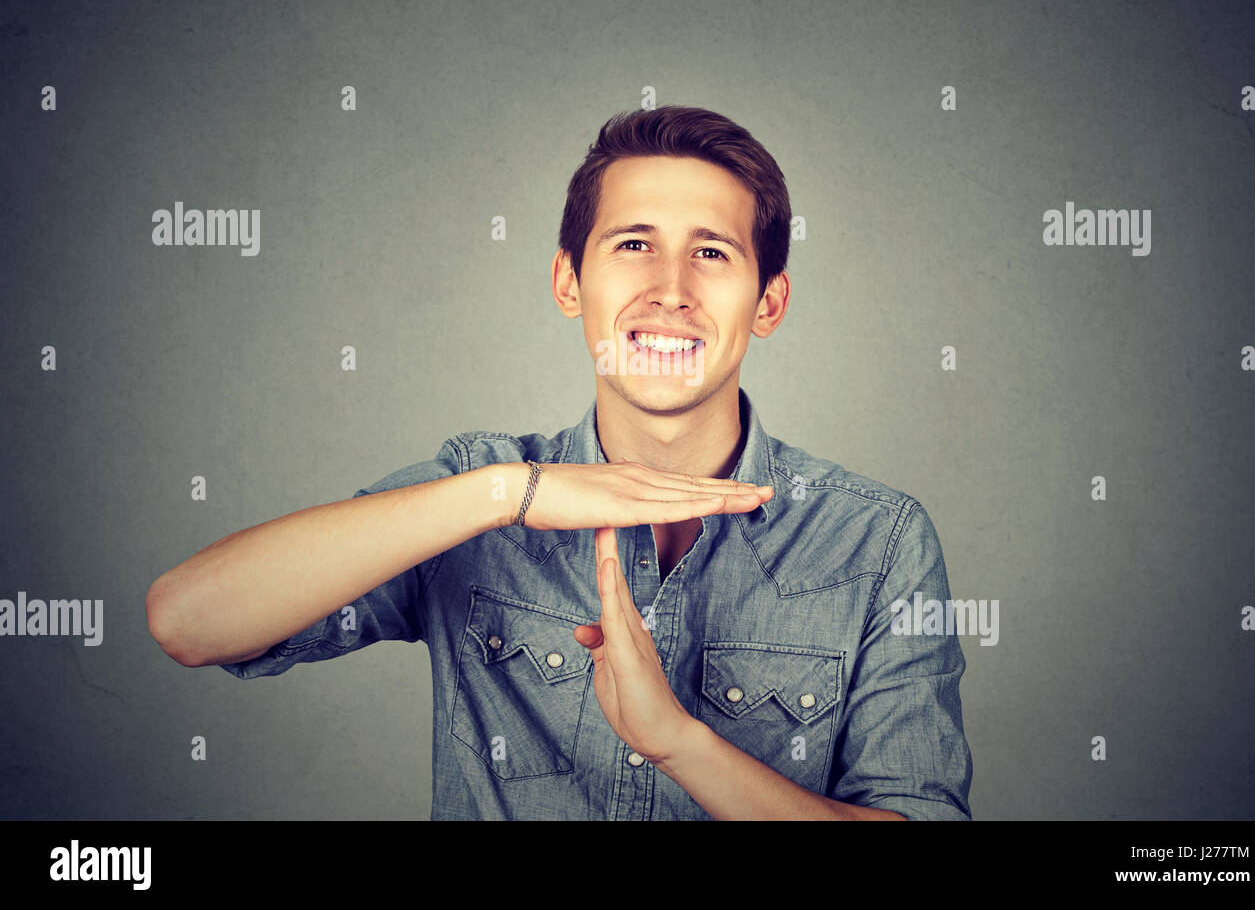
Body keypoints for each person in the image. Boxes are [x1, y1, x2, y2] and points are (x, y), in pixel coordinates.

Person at [145, 106, 974, 820]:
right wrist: (512, 494)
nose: (671, 288)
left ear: (768, 303)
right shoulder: (477, 489)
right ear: (568, 280)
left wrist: (680, 743)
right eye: (634, 244)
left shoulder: (878, 540)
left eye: (712, 252)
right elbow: (186, 620)